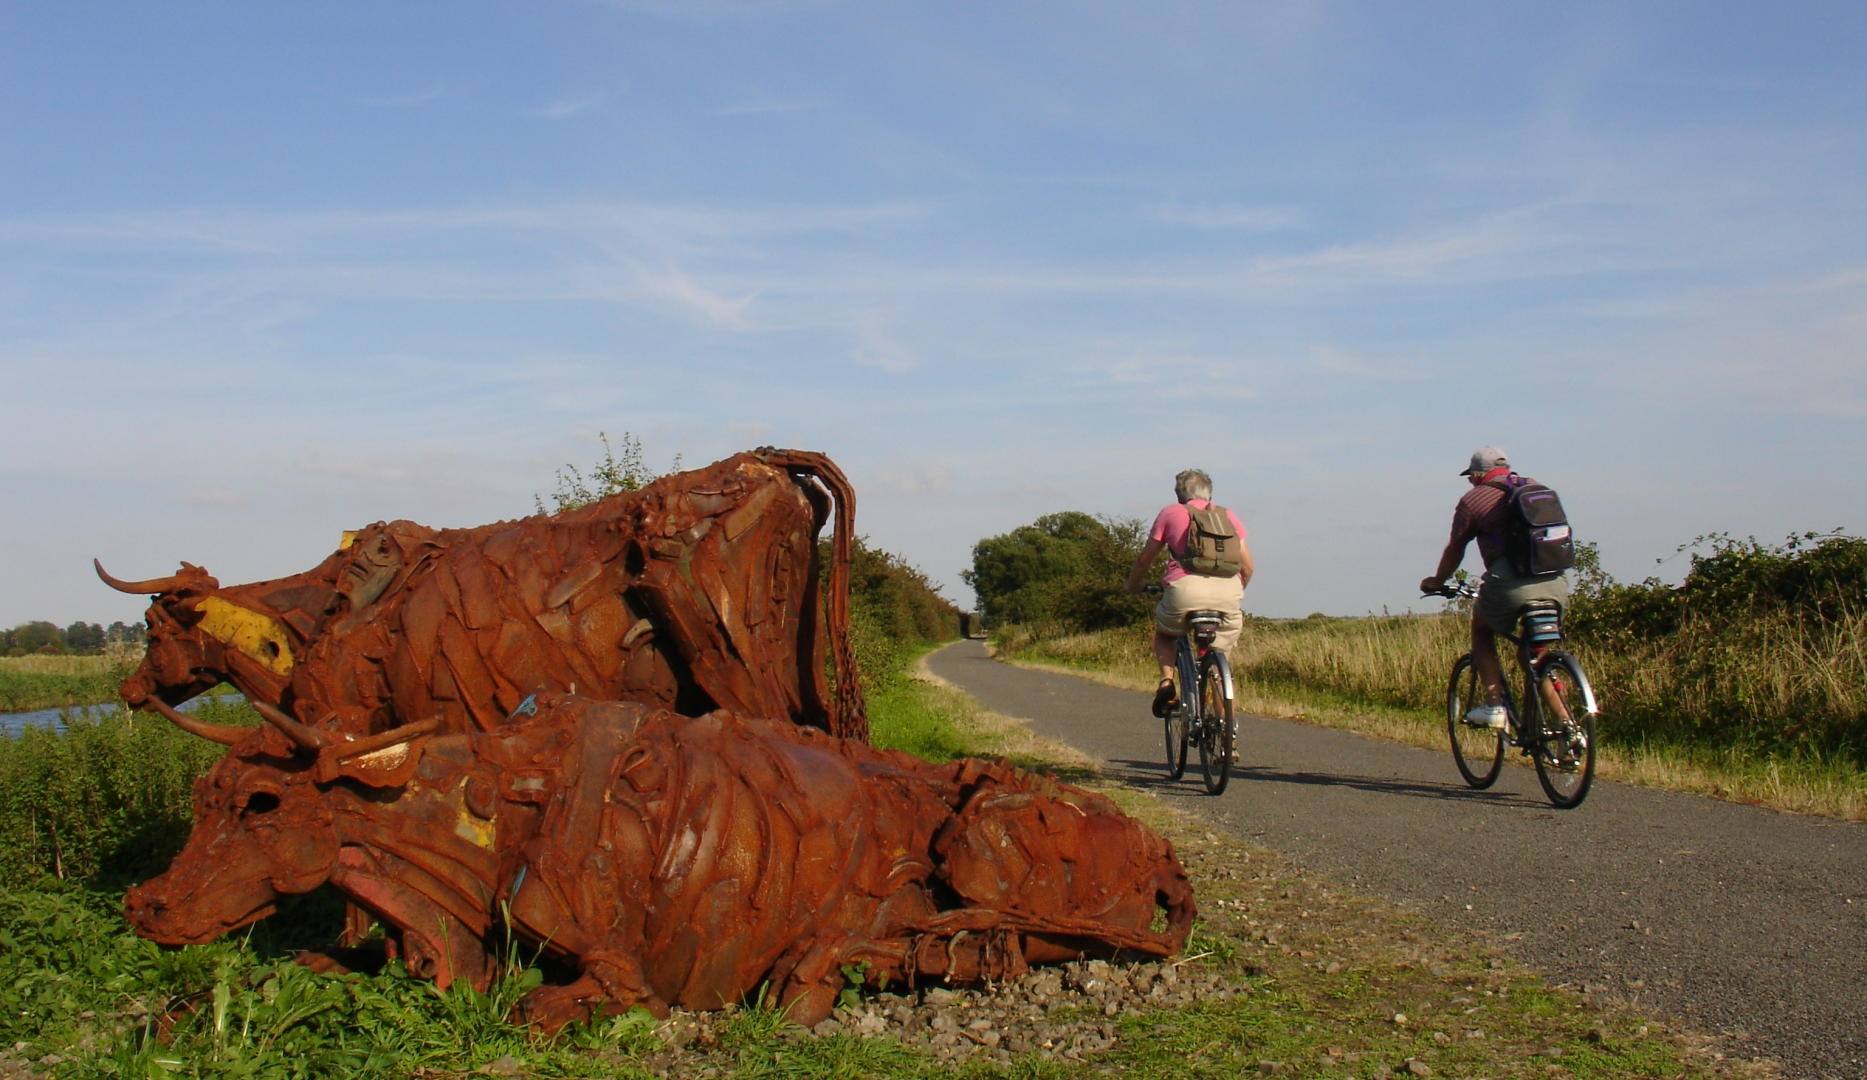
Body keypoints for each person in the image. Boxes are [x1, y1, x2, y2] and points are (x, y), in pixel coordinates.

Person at [1419, 446, 1572, 729]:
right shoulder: (1537, 488)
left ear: (1477, 475)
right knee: (1536, 656)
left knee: (1481, 630)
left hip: (1509, 581)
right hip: (1555, 581)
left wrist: (1437, 581)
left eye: (1470, 477)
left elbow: (1456, 549)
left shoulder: (1474, 499)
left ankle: (1494, 705)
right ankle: (1568, 726)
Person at [1123, 468, 1254, 720]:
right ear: (1209, 493)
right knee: (1219, 661)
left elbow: (1144, 559)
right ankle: (1228, 733)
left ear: (1179, 494)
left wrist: (1132, 585)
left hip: (1184, 591)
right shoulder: (1228, 516)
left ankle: (1166, 681)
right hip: (1228, 592)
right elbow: (1248, 567)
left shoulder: (1171, 513)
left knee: (1166, 634)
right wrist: (1232, 593)